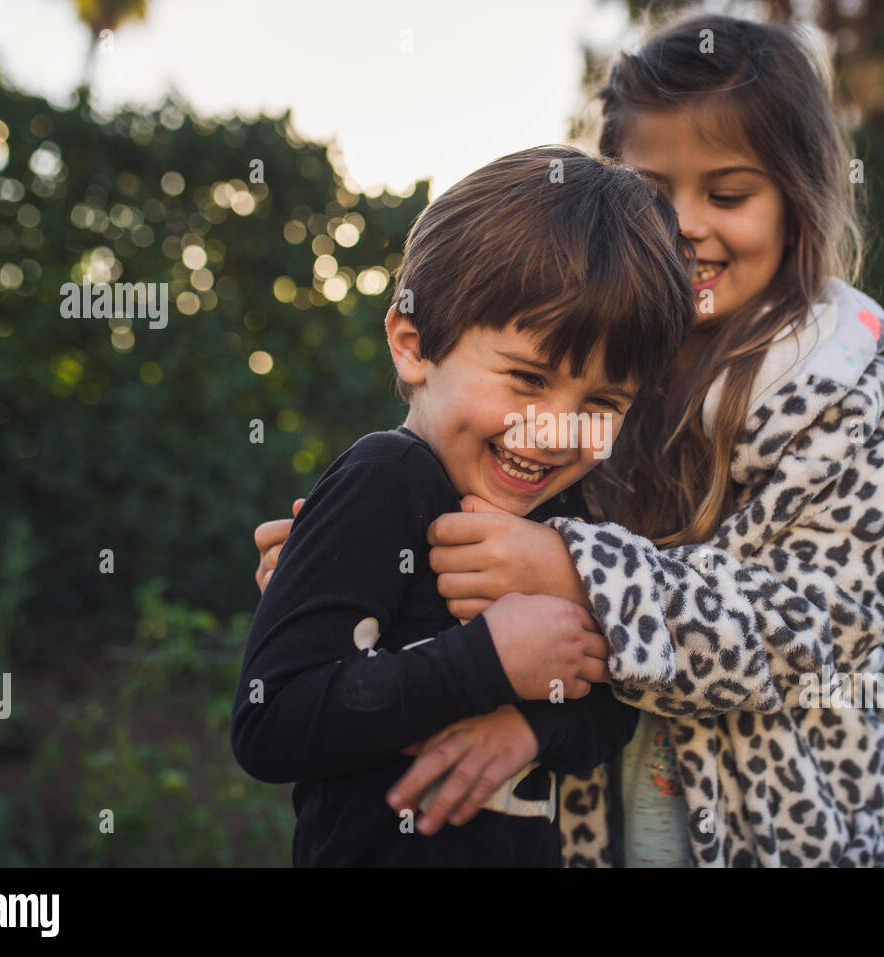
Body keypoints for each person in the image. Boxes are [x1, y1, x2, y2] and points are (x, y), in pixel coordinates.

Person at [255, 14, 884, 868]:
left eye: (728, 194)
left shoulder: (862, 408)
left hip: (768, 828)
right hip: (583, 827)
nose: (687, 224)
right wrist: (351, 564)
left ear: (798, 203)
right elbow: (470, 584)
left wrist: (570, 569)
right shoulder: (594, 383)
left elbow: (804, 632)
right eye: (656, 192)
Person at [230, 144, 696, 866]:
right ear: (414, 346)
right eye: (527, 379)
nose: (554, 431)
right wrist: (486, 661)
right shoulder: (384, 483)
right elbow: (270, 720)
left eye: (601, 401)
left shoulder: (571, 527)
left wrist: (531, 727)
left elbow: (610, 705)